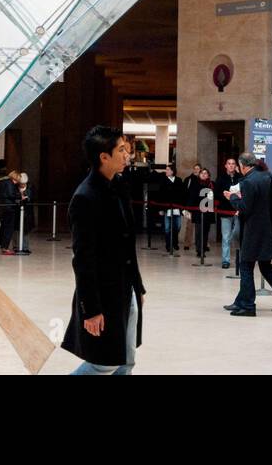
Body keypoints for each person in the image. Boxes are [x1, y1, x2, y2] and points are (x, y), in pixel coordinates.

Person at [62, 125, 146, 375]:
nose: (127, 154)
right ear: (104, 157)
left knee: (126, 360)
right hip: (103, 294)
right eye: (121, 150)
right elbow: (83, 259)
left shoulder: (119, 186)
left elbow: (127, 246)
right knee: (103, 364)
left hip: (126, 288)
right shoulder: (85, 197)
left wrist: (137, 285)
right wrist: (91, 310)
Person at [224, 153, 272, 317]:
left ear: (244, 166)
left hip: (253, 231)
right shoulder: (269, 176)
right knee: (266, 266)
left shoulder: (248, 182)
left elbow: (245, 209)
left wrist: (232, 198)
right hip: (268, 228)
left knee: (245, 266)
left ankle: (247, 306)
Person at [215, 158, 242, 269]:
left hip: (238, 211)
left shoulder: (240, 178)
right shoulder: (220, 178)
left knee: (238, 236)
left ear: (236, 166)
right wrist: (226, 196)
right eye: (229, 164)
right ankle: (225, 260)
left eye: (233, 164)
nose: (231, 166)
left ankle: (239, 261)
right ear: (225, 165)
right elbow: (216, 193)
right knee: (226, 237)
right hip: (225, 210)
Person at [158, 164, 185, 256]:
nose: (166, 171)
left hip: (177, 208)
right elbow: (160, 196)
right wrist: (161, 209)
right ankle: (168, 245)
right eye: (166, 170)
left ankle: (175, 242)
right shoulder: (163, 181)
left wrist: (182, 208)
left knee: (177, 226)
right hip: (167, 208)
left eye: (168, 169)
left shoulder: (179, 180)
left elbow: (182, 195)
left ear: (173, 171)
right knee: (167, 227)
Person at [0, 168, 22, 256]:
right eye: (18, 178)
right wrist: (20, 196)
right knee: (9, 228)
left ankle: (2, 245)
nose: (18, 181)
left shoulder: (2, 182)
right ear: (15, 177)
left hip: (3, 207)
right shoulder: (10, 183)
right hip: (9, 208)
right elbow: (11, 194)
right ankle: (5, 248)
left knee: (4, 227)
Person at [192, 168, 215, 259]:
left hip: (208, 212)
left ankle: (204, 248)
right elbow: (192, 197)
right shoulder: (195, 184)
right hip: (198, 211)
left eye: (206, 173)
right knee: (198, 231)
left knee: (206, 231)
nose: (204, 174)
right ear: (199, 175)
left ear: (208, 175)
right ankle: (199, 250)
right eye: (202, 173)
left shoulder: (212, 184)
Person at [183, 164, 203, 250]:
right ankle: (187, 243)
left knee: (202, 226)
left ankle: (204, 244)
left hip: (200, 206)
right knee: (189, 226)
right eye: (194, 168)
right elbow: (184, 192)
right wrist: (185, 206)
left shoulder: (203, 179)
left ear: (200, 170)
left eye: (197, 169)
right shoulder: (188, 179)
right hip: (190, 206)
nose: (196, 170)